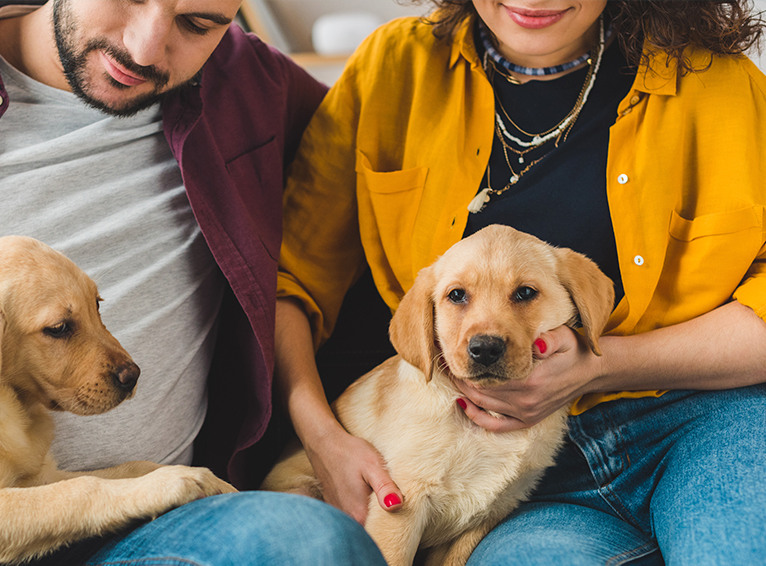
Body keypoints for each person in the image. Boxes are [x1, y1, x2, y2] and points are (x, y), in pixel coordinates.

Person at [0, 1, 389, 565]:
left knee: (311, 546)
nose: (146, 47)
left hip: (150, 519)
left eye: (197, 23)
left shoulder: (254, 87)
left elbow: (407, 188)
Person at [274, 0, 766, 563]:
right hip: (516, 479)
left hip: (701, 422)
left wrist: (602, 365)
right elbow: (288, 284)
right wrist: (323, 442)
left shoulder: (723, 84)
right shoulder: (395, 70)